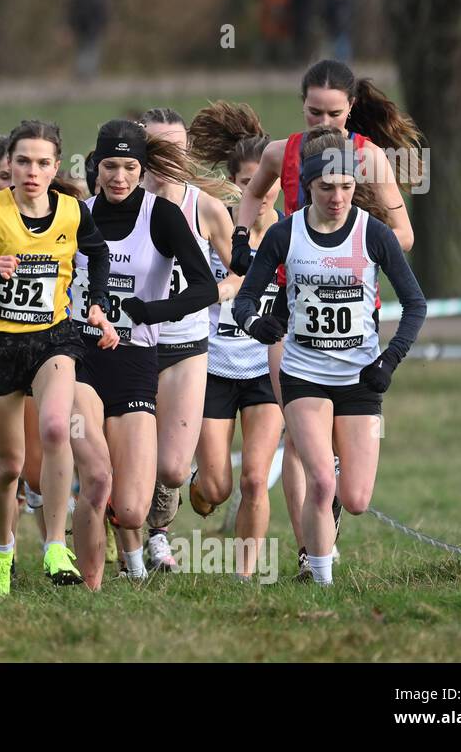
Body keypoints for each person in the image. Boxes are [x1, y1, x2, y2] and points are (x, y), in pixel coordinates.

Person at [228, 59, 421, 575]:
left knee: (351, 484)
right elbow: (253, 193)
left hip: (352, 308)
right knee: (296, 437)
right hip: (287, 306)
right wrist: (242, 237)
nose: (324, 122)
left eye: (334, 113)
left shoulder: (368, 157)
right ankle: (310, 549)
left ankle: (329, 498)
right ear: (302, 107)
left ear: (351, 109)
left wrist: (354, 246)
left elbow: (404, 235)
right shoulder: (281, 152)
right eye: (315, 112)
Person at [0, 119, 120, 597]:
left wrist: (97, 303)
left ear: (56, 167)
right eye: (23, 162)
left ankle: (56, 545)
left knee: (57, 428)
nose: (32, 172)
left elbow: (99, 254)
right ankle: (0, 549)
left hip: (51, 341)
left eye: (42, 163)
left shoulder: (72, 213)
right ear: (9, 166)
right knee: (7, 465)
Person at [64, 119, 212, 587]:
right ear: (96, 167)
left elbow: (205, 287)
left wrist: (151, 311)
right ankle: (90, 588)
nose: (119, 177)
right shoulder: (75, 214)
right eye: (110, 166)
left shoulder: (161, 216)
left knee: (131, 509)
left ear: (143, 169)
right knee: (96, 478)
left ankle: (122, 534)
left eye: (130, 167)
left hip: (135, 362)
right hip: (81, 358)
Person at [136, 107, 238, 573]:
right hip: (129, 344)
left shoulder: (205, 207)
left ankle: (156, 526)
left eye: (175, 148)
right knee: (126, 452)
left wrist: (215, 292)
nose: (166, 158)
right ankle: (142, 542)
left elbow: (241, 271)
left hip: (186, 346)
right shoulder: (119, 200)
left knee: (174, 468)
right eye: (156, 148)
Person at [187, 102, 284, 579]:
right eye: (247, 184)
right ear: (233, 184)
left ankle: (244, 575)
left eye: (265, 183)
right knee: (216, 488)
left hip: (266, 370)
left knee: (254, 479)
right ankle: (192, 479)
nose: (257, 193)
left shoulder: (295, 233)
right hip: (213, 367)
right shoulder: (214, 229)